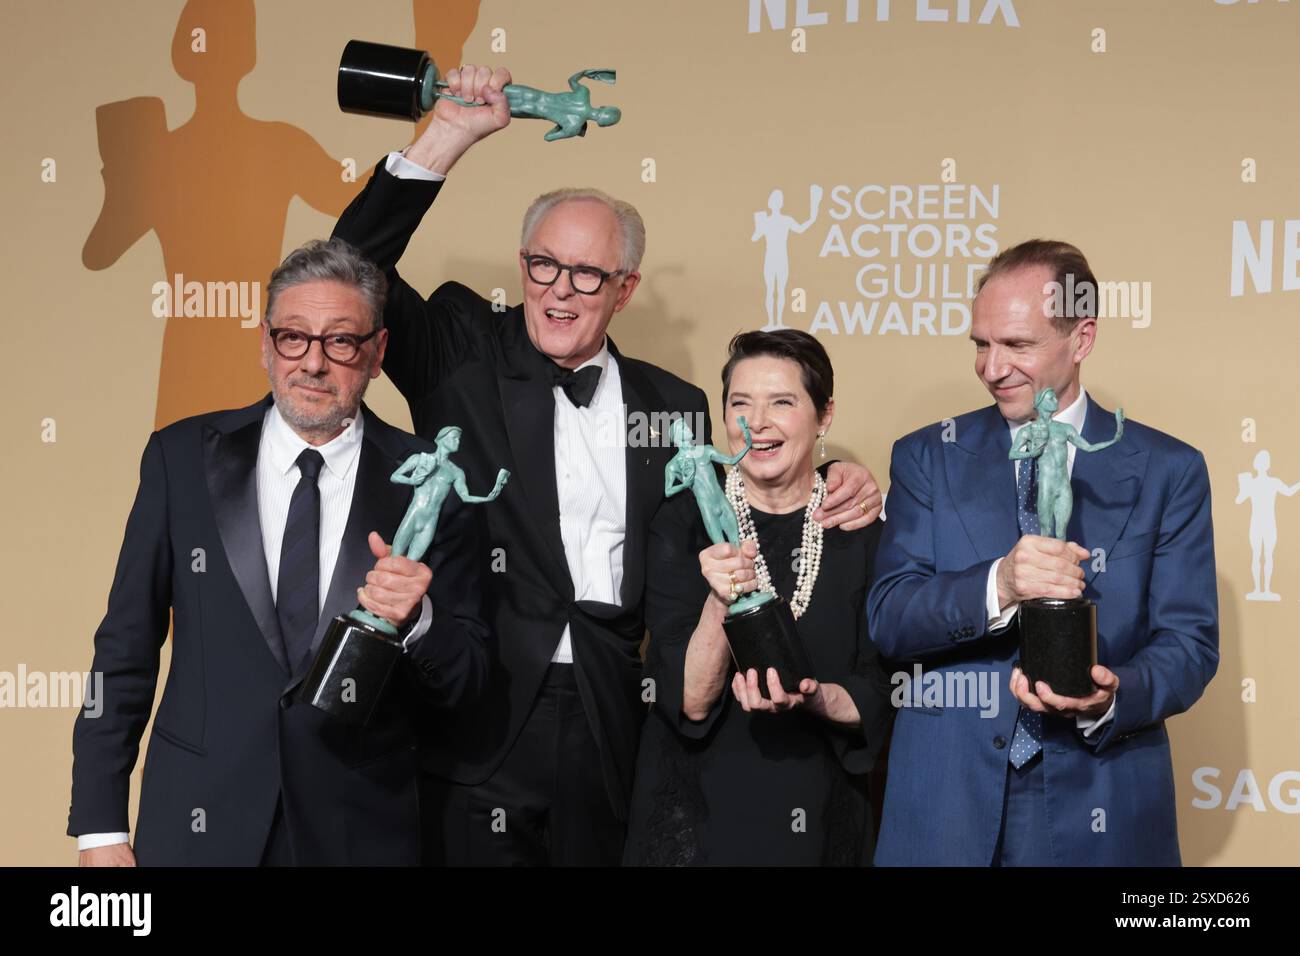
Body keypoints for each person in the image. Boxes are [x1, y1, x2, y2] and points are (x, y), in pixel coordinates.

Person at [331, 63, 882, 865]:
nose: (558, 292)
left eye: (586, 274)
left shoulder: (678, 403)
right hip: (476, 715)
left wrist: (840, 475)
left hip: (615, 725)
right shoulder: (461, 349)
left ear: (624, 289)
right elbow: (347, 265)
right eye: (541, 265)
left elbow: (745, 488)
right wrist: (449, 134)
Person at [68, 238, 489, 866]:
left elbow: (472, 680)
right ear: (266, 345)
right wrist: (100, 828)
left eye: (340, 341)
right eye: (294, 337)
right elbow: (125, 645)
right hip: (197, 826)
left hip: (359, 834)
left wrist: (419, 621)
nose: (313, 363)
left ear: (377, 353)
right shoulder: (179, 458)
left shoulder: (428, 481)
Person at [867, 239, 1219, 866]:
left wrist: (1113, 696)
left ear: (1081, 339)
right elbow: (890, 617)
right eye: (980, 344)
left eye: (1017, 345)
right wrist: (999, 583)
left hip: (1102, 797)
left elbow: (1189, 643)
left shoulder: (1170, 469)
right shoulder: (927, 455)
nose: (991, 368)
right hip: (947, 804)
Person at [625, 330, 894, 866]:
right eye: (739, 403)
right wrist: (719, 599)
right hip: (698, 820)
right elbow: (688, 698)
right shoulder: (680, 521)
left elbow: (882, 694)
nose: (757, 422)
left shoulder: (864, 530)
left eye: (782, 403)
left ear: (825, 415)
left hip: (819, 816)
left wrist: (814, 697)